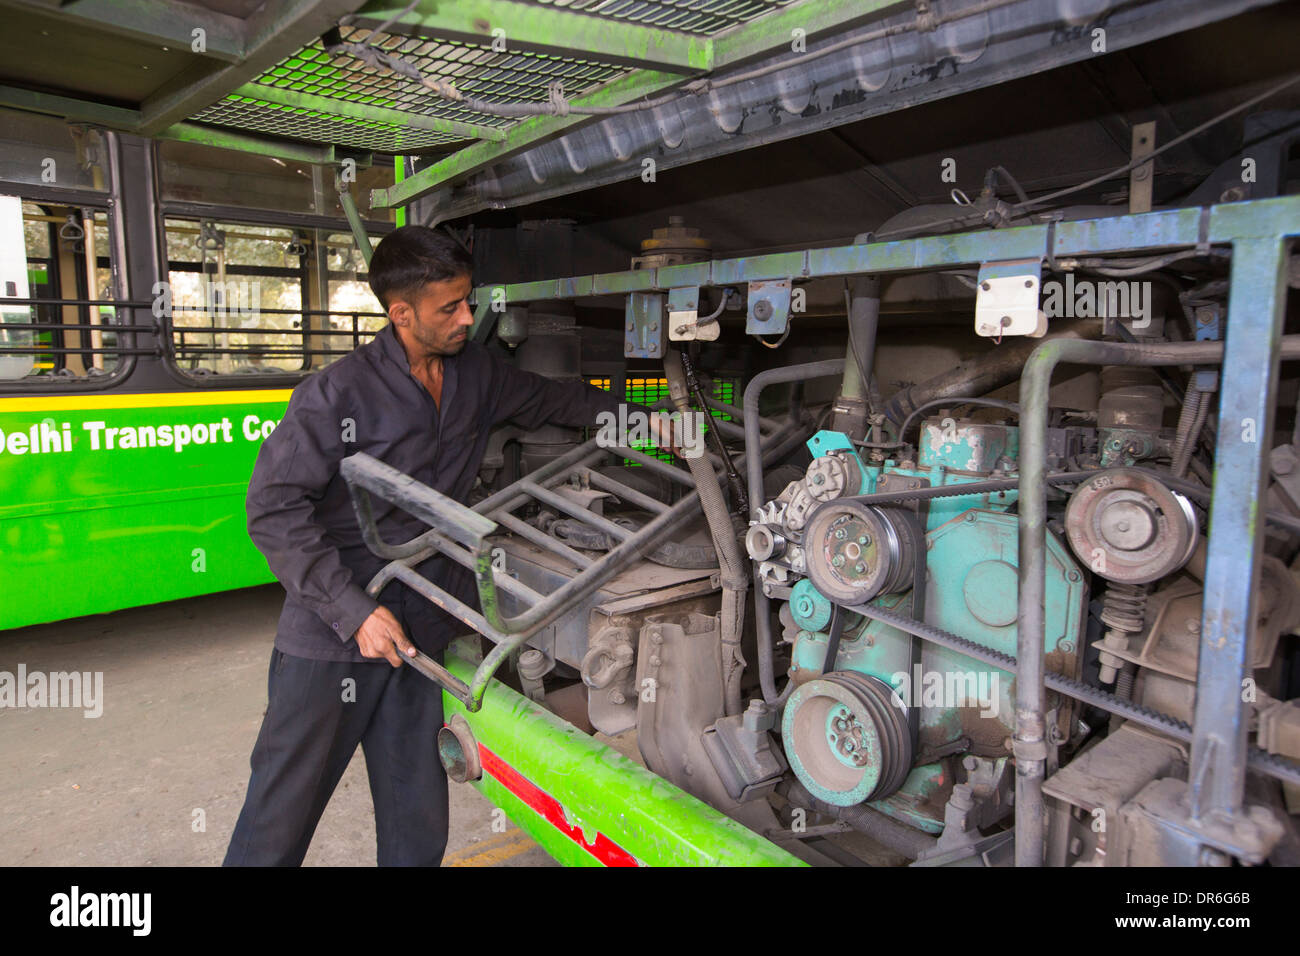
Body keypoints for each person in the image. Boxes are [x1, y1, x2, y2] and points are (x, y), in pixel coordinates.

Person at [223, 226, 640, 866]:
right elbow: (273, 508)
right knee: (276, 825)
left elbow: (551, 399)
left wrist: (648, 415)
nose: (467, 318)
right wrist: (354, 611)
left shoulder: (475, 374)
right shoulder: (335, 395)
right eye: (450, 308)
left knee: (417, 827)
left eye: (468, 301)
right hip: (332, 641)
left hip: (420, 636)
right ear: (401, 313)